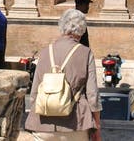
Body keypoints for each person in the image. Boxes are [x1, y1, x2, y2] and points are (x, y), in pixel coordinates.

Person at [25, 8, 101, 141]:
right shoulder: (85, 53)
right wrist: (97, 127)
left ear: (62, 26)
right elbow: (92, 94)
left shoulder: (44, 52)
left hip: (42, 124)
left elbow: (34, 93)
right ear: (82, 30)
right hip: (76, 124)